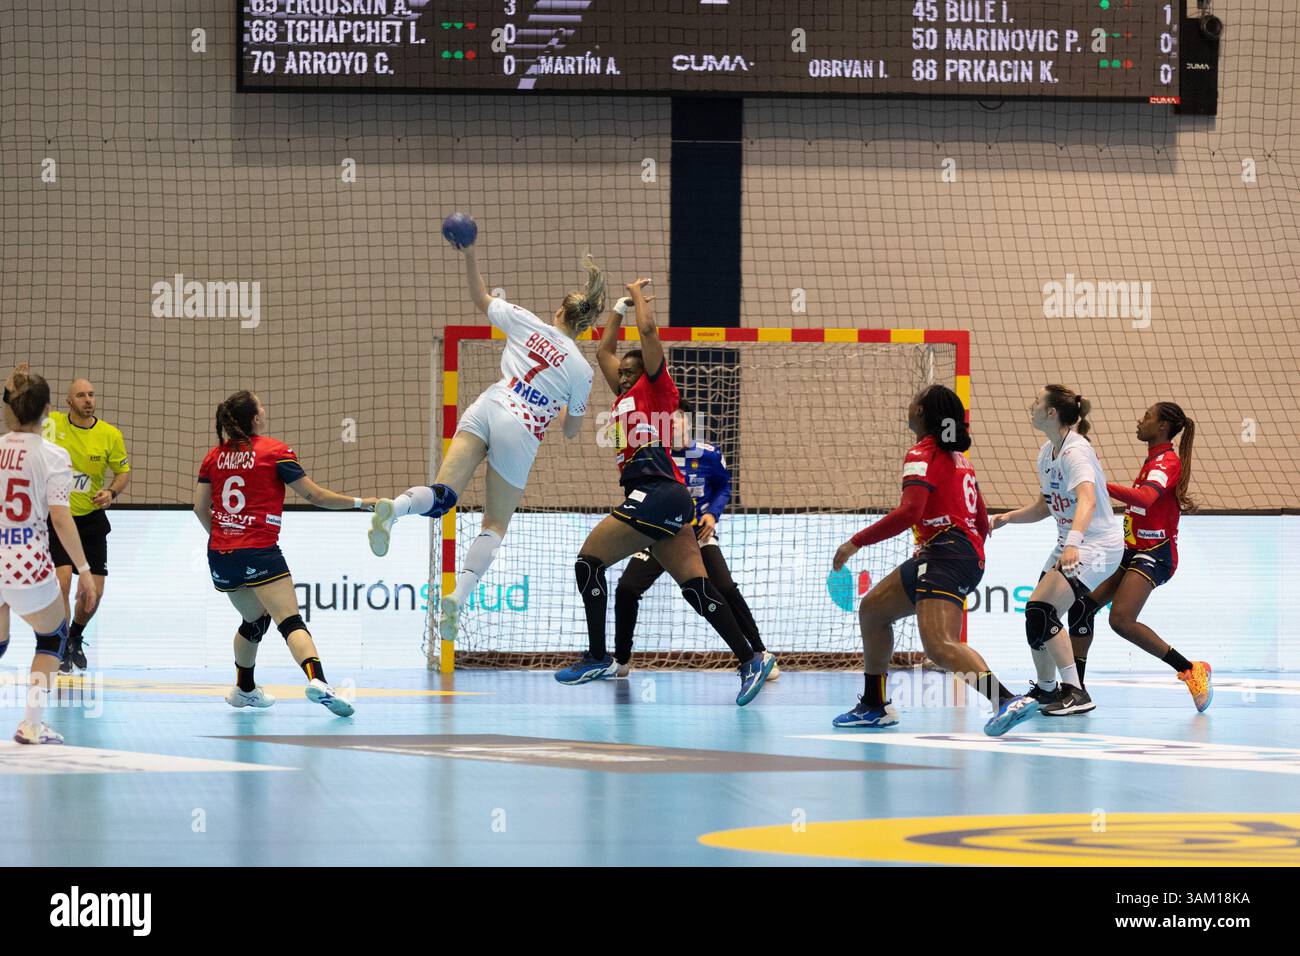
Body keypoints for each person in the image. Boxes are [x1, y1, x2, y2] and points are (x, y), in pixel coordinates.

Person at [554, 281, 775, 705]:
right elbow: (602, 353)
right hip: (667, 500)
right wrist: (615, 312)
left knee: (588, 563)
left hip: (656, 492)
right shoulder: (622, 395)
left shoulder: (656, 390)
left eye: (631, 370)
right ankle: (751, 658)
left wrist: (637, 298)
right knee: (696, 586)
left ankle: (599, 655)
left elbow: (651, 335)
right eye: (623, 372)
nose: (623, 374)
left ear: (648, 373)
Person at [369, 239, 596, 647]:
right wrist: (554, 404)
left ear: (559, 311)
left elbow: (480, 296)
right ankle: (458, 596)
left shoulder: (526, 321)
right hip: (522, 429)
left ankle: (396, 507)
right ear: (585, 327)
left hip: (490, 403)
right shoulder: (581, 370)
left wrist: (470, 252)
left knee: (443, 495)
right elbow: (571, 430)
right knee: (494, 523)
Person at [831, 385, 1035, 736]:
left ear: (922, 413)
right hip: (955, 553)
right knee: (874, 610)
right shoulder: (959, 459)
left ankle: (1005, 699)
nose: (908, 406)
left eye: (913, 402)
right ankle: (874, 705)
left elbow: (910, 512)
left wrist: (855, 543)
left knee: (939, 645)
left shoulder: (921, 453)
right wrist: (962, 551)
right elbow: (982, 519)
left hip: (946, 554)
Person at [196, 391, 375, 716]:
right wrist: (364, 504)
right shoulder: (274, 452)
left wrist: (225, 536)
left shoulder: (213, 456)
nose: (264, 409)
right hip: (259, 551)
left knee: (254, 620)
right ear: (255, 419)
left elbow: (199, 507)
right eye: (260, 405)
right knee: (289, 621)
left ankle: (244, 689)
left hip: (221, 555)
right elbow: (316, 495)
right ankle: (318, 681)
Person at [612, 399, 776, 679]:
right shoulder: (653, 455)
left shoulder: (709, 454)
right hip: (659, 533)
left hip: (696, 534)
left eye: (677, 418)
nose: (672, 423)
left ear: (689, 421)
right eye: (666, 419)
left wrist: (713, 514)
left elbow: (723, 485)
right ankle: (622, 659)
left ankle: (760, 653)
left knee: (724, 586)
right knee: (627, 588)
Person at [1067, 402, 1211, 710]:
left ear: (1162, 427)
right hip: (1133, 550)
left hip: (1155, 555)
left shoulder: (1167, 462)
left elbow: (1146, 499)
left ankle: (1190, 669)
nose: (1139, 420)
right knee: (1081, 608)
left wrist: (1099, 487)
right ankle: (1075, 690)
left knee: (1120, 620)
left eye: (1147, 416)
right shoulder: (1153, 461)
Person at [990, 385, 1123, 717]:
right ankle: (1048, 691)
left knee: (1041, 607)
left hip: (1097, 545)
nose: (1030, 405)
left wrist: (1074, 543)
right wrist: (1006, 518)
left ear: (1051, 413)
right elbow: (1045, 507)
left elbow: (1088, 499)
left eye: (1037, 402)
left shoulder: (1076, 452)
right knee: (1036, 616)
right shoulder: (1046, 451)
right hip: (1070, 543)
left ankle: (1075, 691)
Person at [0, 363, 99, 744]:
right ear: (47, 411)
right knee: (53, 637)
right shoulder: (53, 455)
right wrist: (85, 570)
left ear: (10, 408)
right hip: (26, 562)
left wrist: (12, 391)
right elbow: (60, 518)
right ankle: (31, 725)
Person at [42, 378, 131, 673]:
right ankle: (62, 642)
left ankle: (75, 637)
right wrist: (12, 391)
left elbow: (122, 472)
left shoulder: (110, 435)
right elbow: (23, 417)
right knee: (63, 583)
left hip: (92, 521)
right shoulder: (52, 425)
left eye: (91, 394)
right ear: (69, 402)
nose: (88, 400)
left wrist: (111, 492)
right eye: (81, 395)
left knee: (94, 592)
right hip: (58, 518)